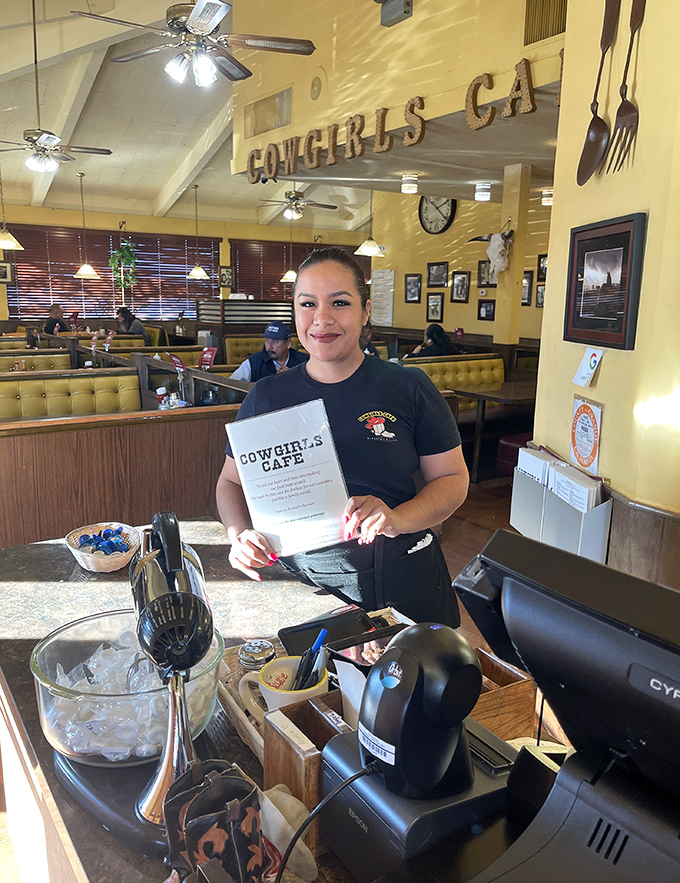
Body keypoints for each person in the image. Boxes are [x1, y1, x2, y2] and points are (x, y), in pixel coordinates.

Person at [216, 247, 469, 627]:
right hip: (300, 583)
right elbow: (230, 481)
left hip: (400, 573)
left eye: (339, 302)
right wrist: (239, 535)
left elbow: (452, 478)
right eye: (308, 304)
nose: (322, 319)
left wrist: (397, 518)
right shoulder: (266, 396)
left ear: (365, 311)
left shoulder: (408, 386)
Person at [229, 321, 309, 382]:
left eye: (275, 342)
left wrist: (294, 377)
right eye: (267, 341)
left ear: (288, 343)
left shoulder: (304, 361)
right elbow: (232, 385)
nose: (269, 346)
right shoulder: (253, 362)